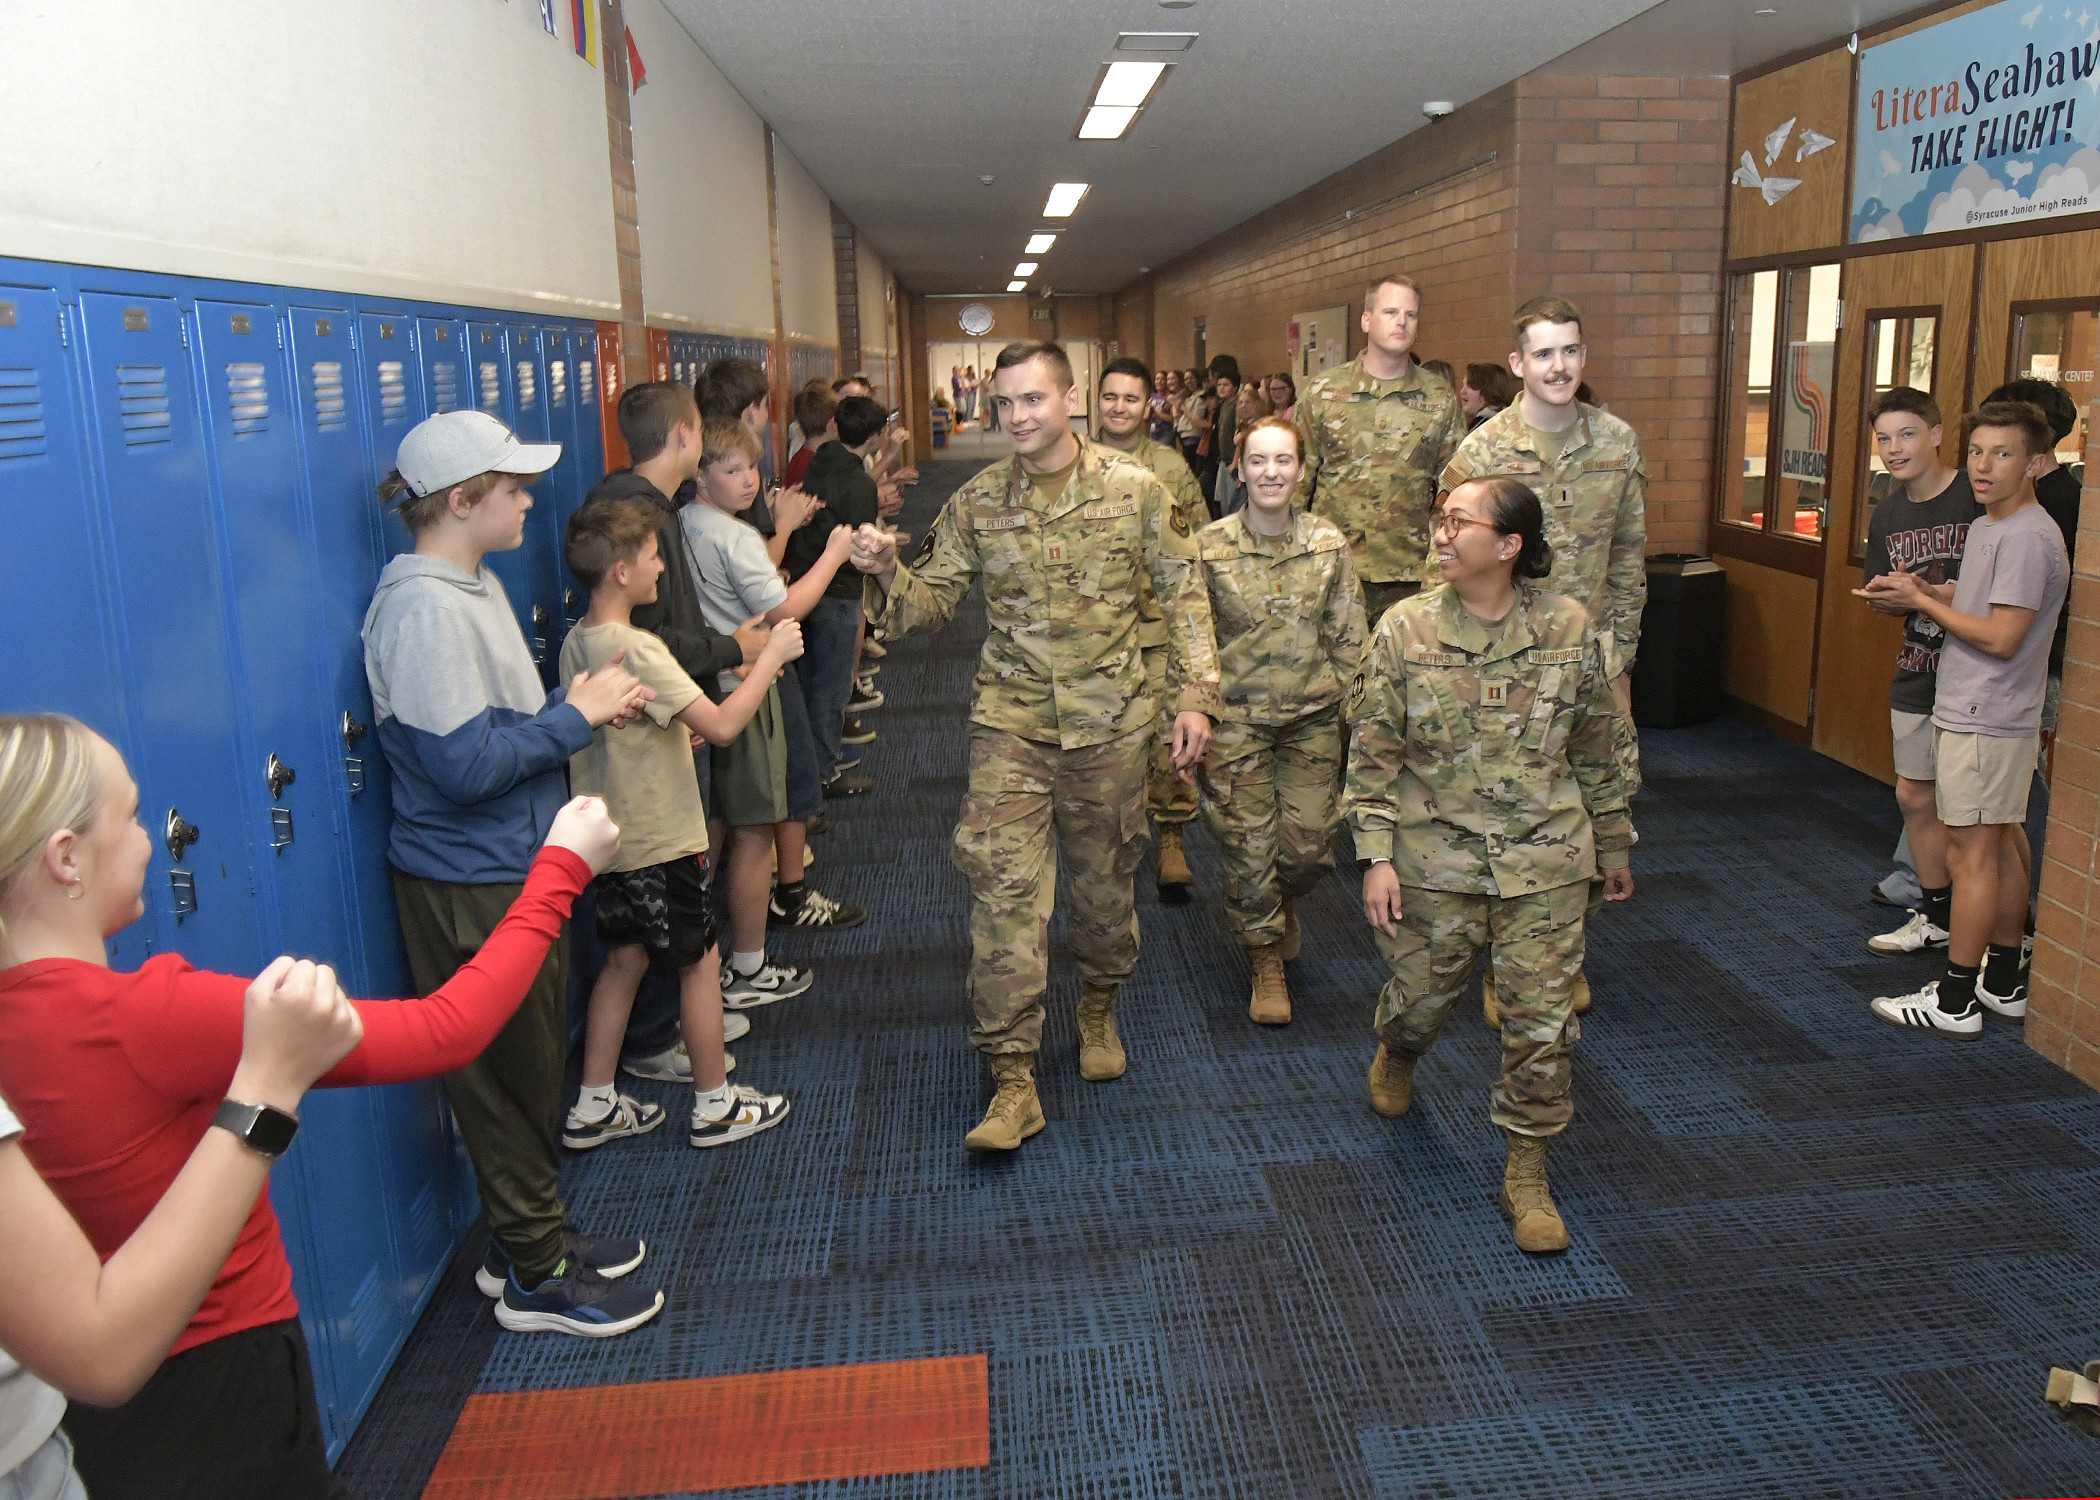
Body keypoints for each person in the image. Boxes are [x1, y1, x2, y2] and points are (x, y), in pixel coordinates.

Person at [0, 712, 632, 1496]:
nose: (153, 837)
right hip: (230, 1396)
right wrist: (560, 868)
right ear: (66, 858)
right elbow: (448, 1029)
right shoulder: (145, 1018)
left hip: (98, 1430)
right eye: (130, 816)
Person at [850, 341, 1222, 1151]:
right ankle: (1012, 1079)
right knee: (1003, 896)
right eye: (1005, 402)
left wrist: (1196, 693)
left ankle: (1098, 1004)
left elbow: (1184, 593)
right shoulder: (980, 501)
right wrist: (884, 572)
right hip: (1011, 725)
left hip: (1111, 727)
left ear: (1070, 399)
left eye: (1032, 399)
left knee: (1103, 897)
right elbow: (926, 607)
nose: (1016, 416)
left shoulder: (1135, 490)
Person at [360, 409, 665, 1337]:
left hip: (511, 863)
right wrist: (575, 719)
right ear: (461, 501)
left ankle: (525, 1238)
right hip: (470, 880)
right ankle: (539, 1276)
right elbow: (463, 768)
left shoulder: (472, 586)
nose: (530, 501)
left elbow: (495, 730)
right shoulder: (423, 611)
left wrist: (573, 705)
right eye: (513, 488)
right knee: (502, 1083)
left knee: (530, 1071)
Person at [1347, 477, 1634, 1254]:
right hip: (1435, 857)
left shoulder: (1569, 627)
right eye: (1440, 520)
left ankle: (1527, 1173)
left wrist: (1613, 843)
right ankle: (1400, 1049)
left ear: (1509, 545)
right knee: (1421, 1001)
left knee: (1543, 1026)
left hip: (1546, 859)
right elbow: (1372, 754)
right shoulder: (1404, 628)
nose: (1441, 534)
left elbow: (1598, 746)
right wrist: (1375, 856)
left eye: (1458, 522)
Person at [559, 498, 799, 1151]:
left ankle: (594, 1103)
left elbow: (628, 726)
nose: (662, 566)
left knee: (625, 959)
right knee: (699, 962)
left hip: (609, 840)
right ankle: (715, 1105)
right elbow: (722, 726)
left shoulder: (579, 640)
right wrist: (771, 657)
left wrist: (670, 733)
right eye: (652, 557)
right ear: (620, 572)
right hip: (662, 839)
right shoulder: (641, 647)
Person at [1439, 296, 1648, 1027]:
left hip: (1588, 663)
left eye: (1570, 351)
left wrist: (1619, 662)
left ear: (1583, 356)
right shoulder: (1482, 453)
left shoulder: (1617, 444)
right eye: (1543, 354)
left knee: (1595, 801)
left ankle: (1558, 951)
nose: (1559, 366)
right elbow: (1448, 562)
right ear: (1519, 363)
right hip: (1505, 665)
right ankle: (1508, 965)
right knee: (1504, 812)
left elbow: (1628, 561)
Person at [1859, 401, 2070, 1035]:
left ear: (2034, 463)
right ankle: (2001, 982)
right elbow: (1980, 601)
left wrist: (1929, 605)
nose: (1983, 466)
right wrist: (1925, 591)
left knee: (1972, 854)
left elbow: (2003, 637)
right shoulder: (1989, 526)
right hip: (1971, 706)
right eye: (1977, 451)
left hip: (1989, 712)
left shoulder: (2028, 536)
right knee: (1997, 846)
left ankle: (1955, 1000)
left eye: (2002, 454)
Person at [589, 382, 768, 1087]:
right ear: (685, 436)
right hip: (667, 733)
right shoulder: (643, 518)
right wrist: (735, 651)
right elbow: (659, 638)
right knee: (667, 904)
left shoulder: (642, 505)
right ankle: (663, 1034)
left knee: (656, 912)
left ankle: (671, 1024)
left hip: (670, 715)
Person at [1195, 417, 1366, 1024]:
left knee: (1308, 850)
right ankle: (1265, 957)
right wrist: (1186, 717)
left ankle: (1277, 901)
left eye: (1283, 460)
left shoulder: (1327, 543)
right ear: (1239, 469)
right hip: (1235, 722)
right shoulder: (1209, 548)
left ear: (1301, 469)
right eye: (1258, 461)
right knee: (1249, 848)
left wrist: (1368, 721)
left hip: (1311, 718)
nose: (1271, 472)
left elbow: (1350, 638)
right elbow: (1193, 643)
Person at [685, 417, 860, 1007]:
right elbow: (787, 609)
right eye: (730, 470)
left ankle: (710, 961)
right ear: (699, 475)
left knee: (721, 820)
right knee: (756, 829)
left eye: (751, 469)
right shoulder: (734, 537)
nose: (748, 481)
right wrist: (834, 555)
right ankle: (748, 966)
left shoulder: (685, 523)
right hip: (749, 688)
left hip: (711, 685)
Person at [1856, 388, 1980, 960]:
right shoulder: (1889, 512)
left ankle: (2008, 926)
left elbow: (2002, 592)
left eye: (1906, 434)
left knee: (1977, 813)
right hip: (1918, 668)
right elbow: (1892, 597)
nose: (1894, 449)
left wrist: (1926, 593)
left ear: (1936, 434)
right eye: (1884, 439)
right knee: (1914, 795)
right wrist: (1887, 597)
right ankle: (1936, 913)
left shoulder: (1976, 496)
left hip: (1978, 676)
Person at [1096, 356, 1208, 899]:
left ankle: (1172, 838)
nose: (1119, 407)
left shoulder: (1168, 466)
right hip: (1095, 633)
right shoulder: (1073, 465)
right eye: (1110, 397)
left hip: (1159, 627)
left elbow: (1199, 539)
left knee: (1168, 738)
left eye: (1131, 398)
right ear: (1095, 401)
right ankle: (1111, 841)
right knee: (1106, 742)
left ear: (1148, 406)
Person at [1295, 274, 1463, 625]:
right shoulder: (1324, 392)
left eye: (1410, 315)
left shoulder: (1439, 398)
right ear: (1366, 320)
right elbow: (1297, 483)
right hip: (1332, 565)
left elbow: (1454, 491)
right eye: (1390, 312)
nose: (1402, 322)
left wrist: (1442, 564)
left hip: (1409, 572)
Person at [795, 395, 890, 805]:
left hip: (806, 584)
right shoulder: (860, 483)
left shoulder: (817, 463)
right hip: (839, 592)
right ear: (874, 437)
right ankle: (823, 774)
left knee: (811, 683)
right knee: (832, 691)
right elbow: (861, 544)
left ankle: (812, 769)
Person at [1982, 378, 2082, 763]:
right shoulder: (2015, 497)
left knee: (2021, 774)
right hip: (2010, 662)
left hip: (2035, 664)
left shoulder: (2054, 504)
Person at [1196, 355, 1243, 515]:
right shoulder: (1223, 406)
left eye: (1226, 385)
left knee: (1233, 504)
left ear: (1235, 387)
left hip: (1233, 461)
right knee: (1222, 503)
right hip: (1222, 460)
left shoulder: (1237, 405)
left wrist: (1235, 461)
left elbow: (1240, 435)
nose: (1221, 388)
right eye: (1219, 385)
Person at [1460, 363, 1518, 430]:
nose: (1462, 391)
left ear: (1488, 390)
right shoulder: (1508, 420)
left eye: (1470, 386)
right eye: (1463, 385)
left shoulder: (1485, 426)